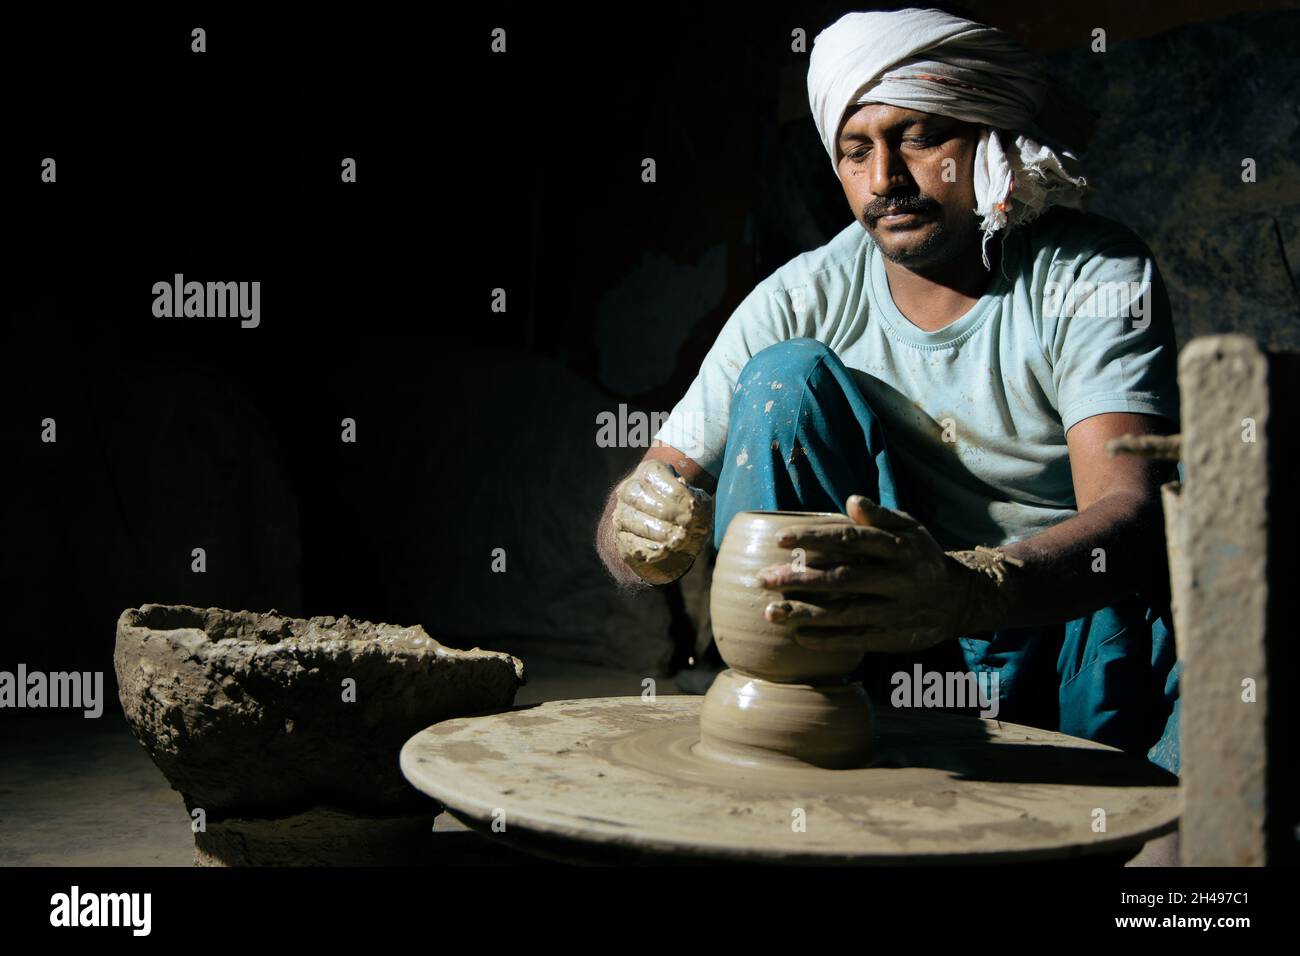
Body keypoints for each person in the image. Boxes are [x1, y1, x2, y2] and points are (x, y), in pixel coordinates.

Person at [594, 8, 1181, 780]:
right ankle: (793, 713)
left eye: (918, 137)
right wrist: (637, 529)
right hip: (877, 649)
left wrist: (973, 588)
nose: (885, 181)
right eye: (856, 150)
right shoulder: (801, 295)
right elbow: (637, 515)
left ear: (987, 138)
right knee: (783, 378)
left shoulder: (1090, 274)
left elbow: (1133, 512)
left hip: (1063, 628)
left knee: (1184, 859)